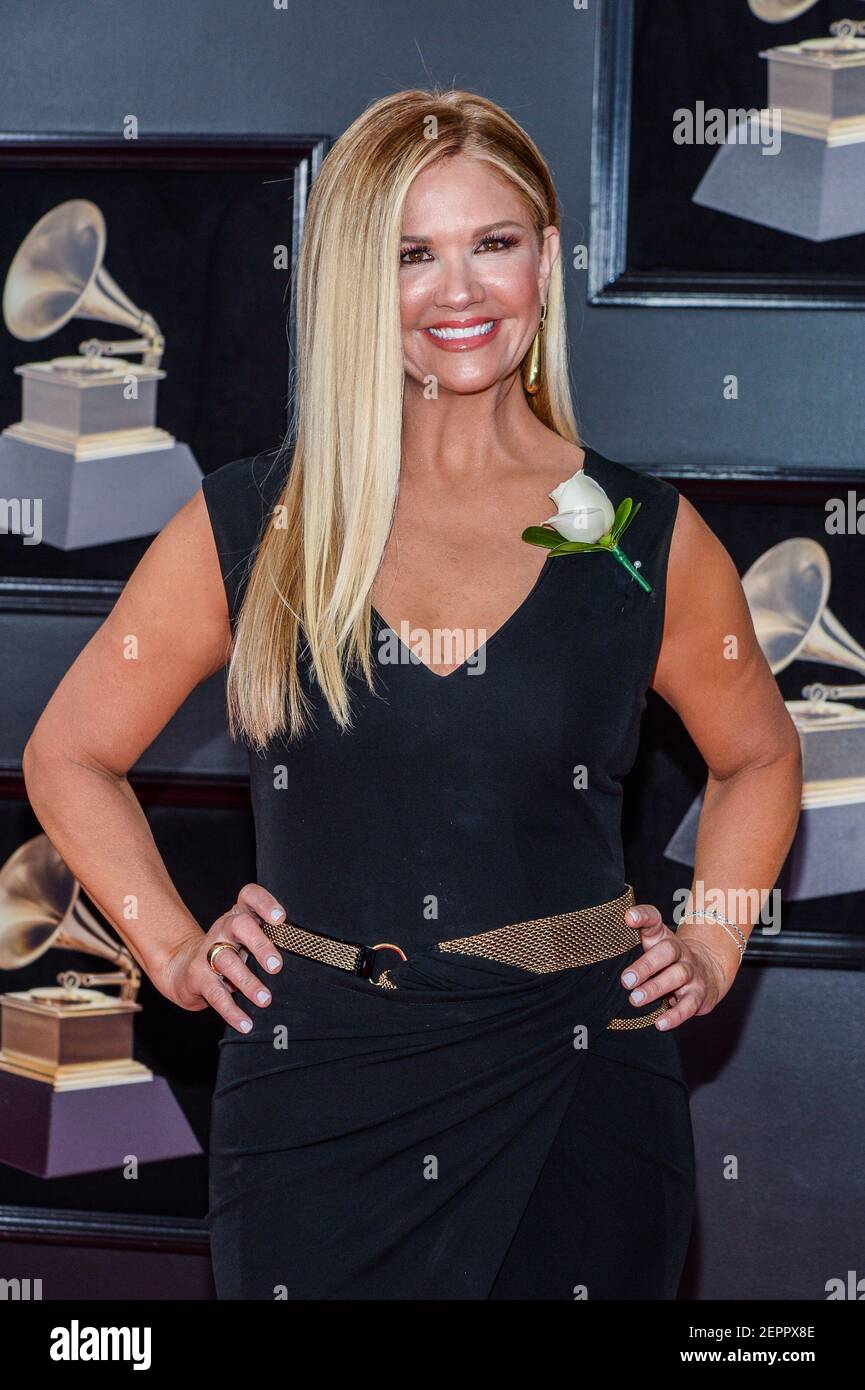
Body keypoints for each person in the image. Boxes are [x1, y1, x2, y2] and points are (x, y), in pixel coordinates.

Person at [22, 87, 803, 1300]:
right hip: (317, 1097)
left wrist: (713, 936)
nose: (459, 292)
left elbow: (759, 757)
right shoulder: (259, 520)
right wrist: (173, 950)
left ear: (545, 259)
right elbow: (68, 751)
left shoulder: (641, 534)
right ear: (353, 283)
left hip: (581, 1088)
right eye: (411, 254)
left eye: (492, 243)